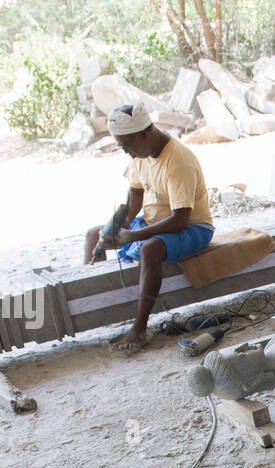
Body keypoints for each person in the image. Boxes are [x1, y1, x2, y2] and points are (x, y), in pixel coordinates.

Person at [84, 103, 215, 354]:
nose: (127, 153)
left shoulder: (178, 161)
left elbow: (180, 220)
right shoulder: (140, 155)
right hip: (155, 222)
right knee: (93, 235)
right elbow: (134, 198)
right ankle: (100, 311)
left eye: (127, 146)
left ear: (145, 133)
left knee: (150, 249)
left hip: (194, 227)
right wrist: (118, 224)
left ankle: (140, 328)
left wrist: (133, 235)